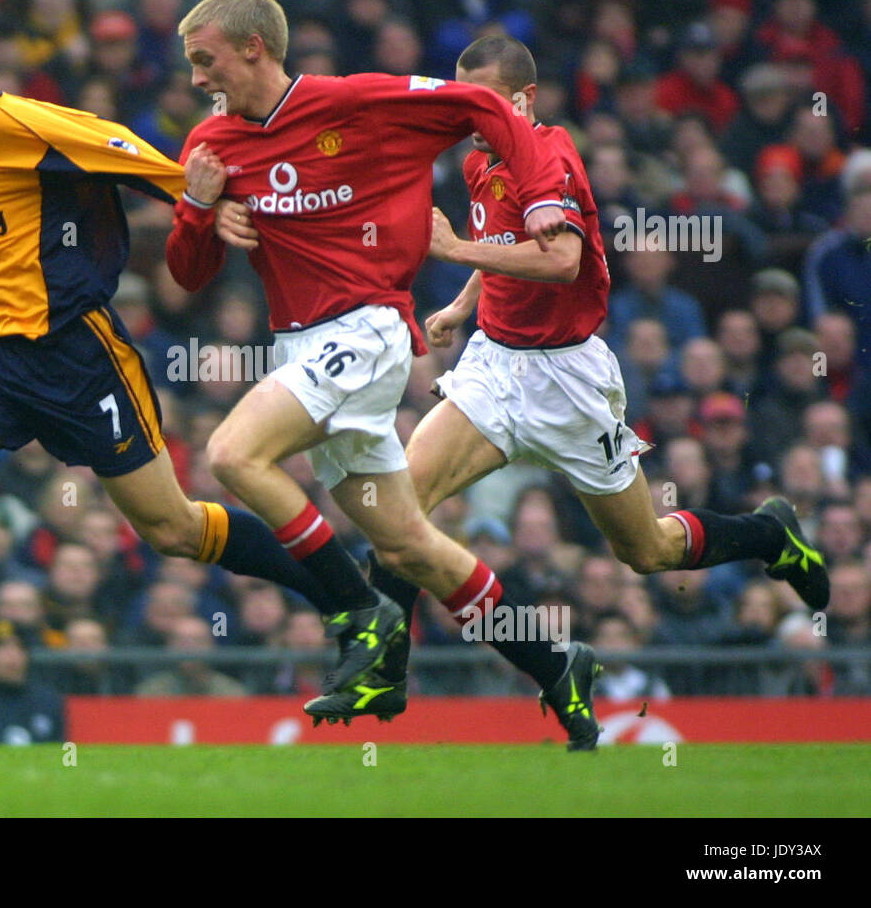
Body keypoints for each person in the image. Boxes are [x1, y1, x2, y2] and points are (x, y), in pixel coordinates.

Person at [0, 11, 397, 747]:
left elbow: (120, 147)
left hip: (78, 358)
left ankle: (352, 600)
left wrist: (201, 202)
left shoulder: (20, 123)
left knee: (172, 528)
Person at [282, 36, 829, 740]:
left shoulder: (552, 155)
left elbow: (563, 259)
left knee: (646, 551)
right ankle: (392, 673)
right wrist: (460, 302)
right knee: (399, 511)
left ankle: (767, 533)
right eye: (461, 101)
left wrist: (452, 252)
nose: (468, 116)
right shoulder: (483, 161)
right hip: (495, 364)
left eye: (481, 101)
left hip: (569, 378)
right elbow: (506, 244)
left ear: (523, 99)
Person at [166, 0, 621, 747]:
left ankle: (357, 614)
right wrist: (200, 208)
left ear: (254, 48)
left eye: (205, 60)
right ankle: (554, 663)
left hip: (369, 329)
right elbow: (187, 276)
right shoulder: (210, 150)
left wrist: (541, 194)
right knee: (409, 545)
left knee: (232, 453)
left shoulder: (358, 103)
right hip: (299, 346)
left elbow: (487, 107)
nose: (195, 80)